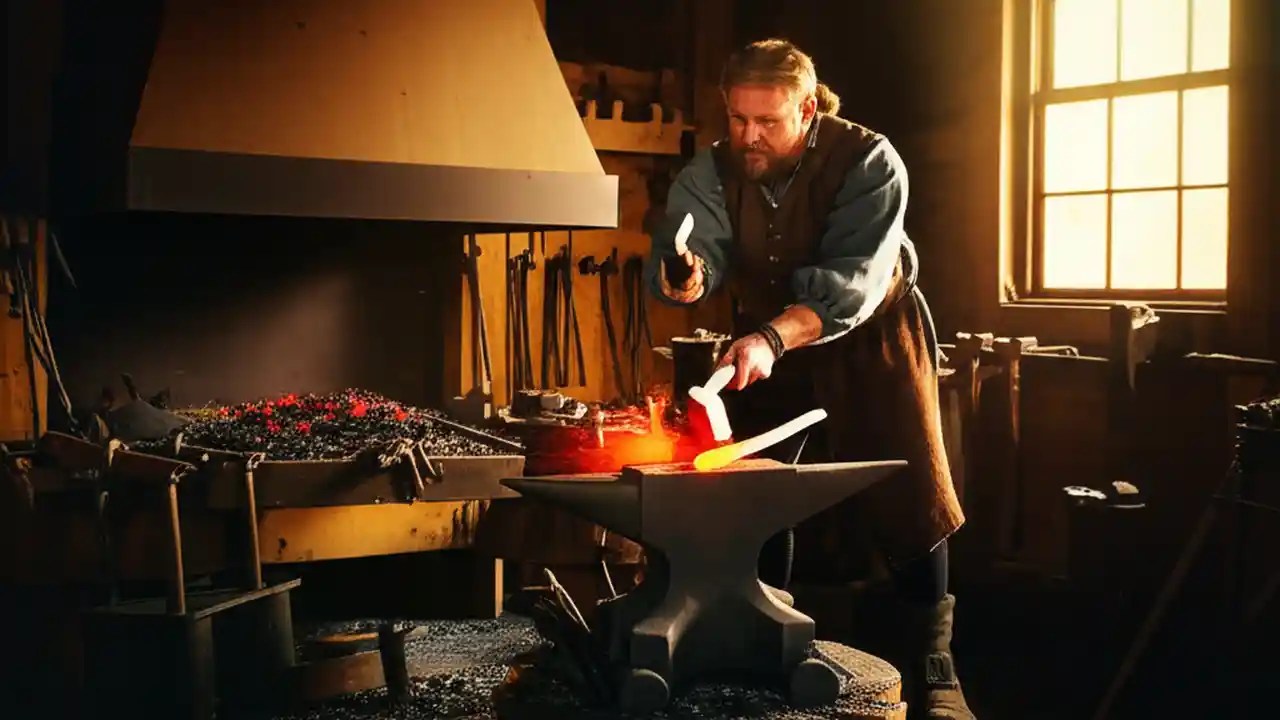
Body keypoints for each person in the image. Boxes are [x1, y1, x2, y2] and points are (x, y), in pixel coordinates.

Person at [645, 39, 974, 720]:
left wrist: (774, 337)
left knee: (911, 489)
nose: (749, 137)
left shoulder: (870, 161)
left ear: (809, 109)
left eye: (767, 122)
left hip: (874, 334)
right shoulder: (713, 168)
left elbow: (853, 279)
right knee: (755, 487)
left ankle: (935, 666)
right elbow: (696, 248)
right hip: (764, 340)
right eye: (738, 119)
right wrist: (686, 275)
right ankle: (763, 647)